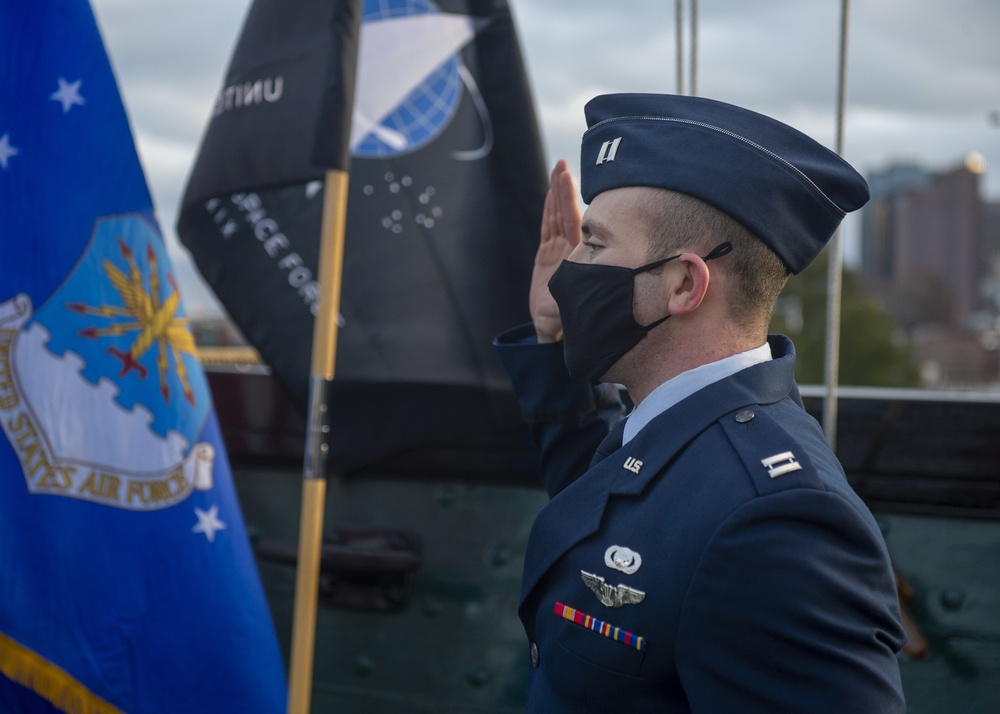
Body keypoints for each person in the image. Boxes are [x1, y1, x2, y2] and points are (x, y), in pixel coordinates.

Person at [493, 93, 906, 713]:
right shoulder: (676, 432)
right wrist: (554, 338)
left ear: (684, 283)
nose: (563, 275)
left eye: (594, 246)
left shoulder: (778, 521)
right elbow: (618, 504)